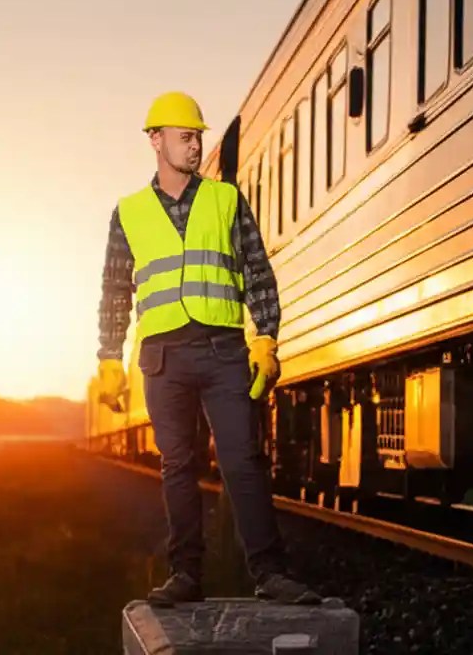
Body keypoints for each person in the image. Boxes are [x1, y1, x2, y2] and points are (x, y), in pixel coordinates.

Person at [94, 91, 320, 607]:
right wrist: (109, 358)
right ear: (156, 141)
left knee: (243, 461)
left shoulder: (225, 200)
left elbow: (257, 272)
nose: (196, 146)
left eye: (198, 137)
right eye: (185, 136)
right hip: (163, 359)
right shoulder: (128, 213)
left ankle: (270, 573)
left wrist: (266, 337)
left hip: (223, 352)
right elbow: (114, 290)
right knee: (177, 466)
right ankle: (186, 575)